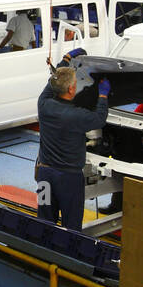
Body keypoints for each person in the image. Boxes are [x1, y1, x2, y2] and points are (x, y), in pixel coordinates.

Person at [36, 52, 110, 231]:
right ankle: (68, 256)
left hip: (44, 176)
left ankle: (43, 252)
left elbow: (52, 81)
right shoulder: (77, 116)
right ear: (70, 90)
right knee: (71, 223)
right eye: (76, 83)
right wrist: (103, 96)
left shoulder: (43, 103)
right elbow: (100, 119)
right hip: (68, 179)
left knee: (44, 219)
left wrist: (66, 59)